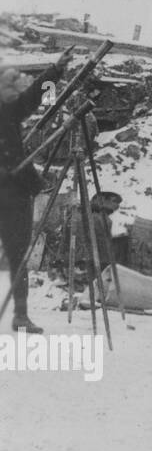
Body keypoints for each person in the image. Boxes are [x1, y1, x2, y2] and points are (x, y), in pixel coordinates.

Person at [0, 47, 75, 333]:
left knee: (18, 253)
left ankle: (20, 315)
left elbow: (33, 96)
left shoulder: (7, 110)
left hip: (15, 194)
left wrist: (56, 70)